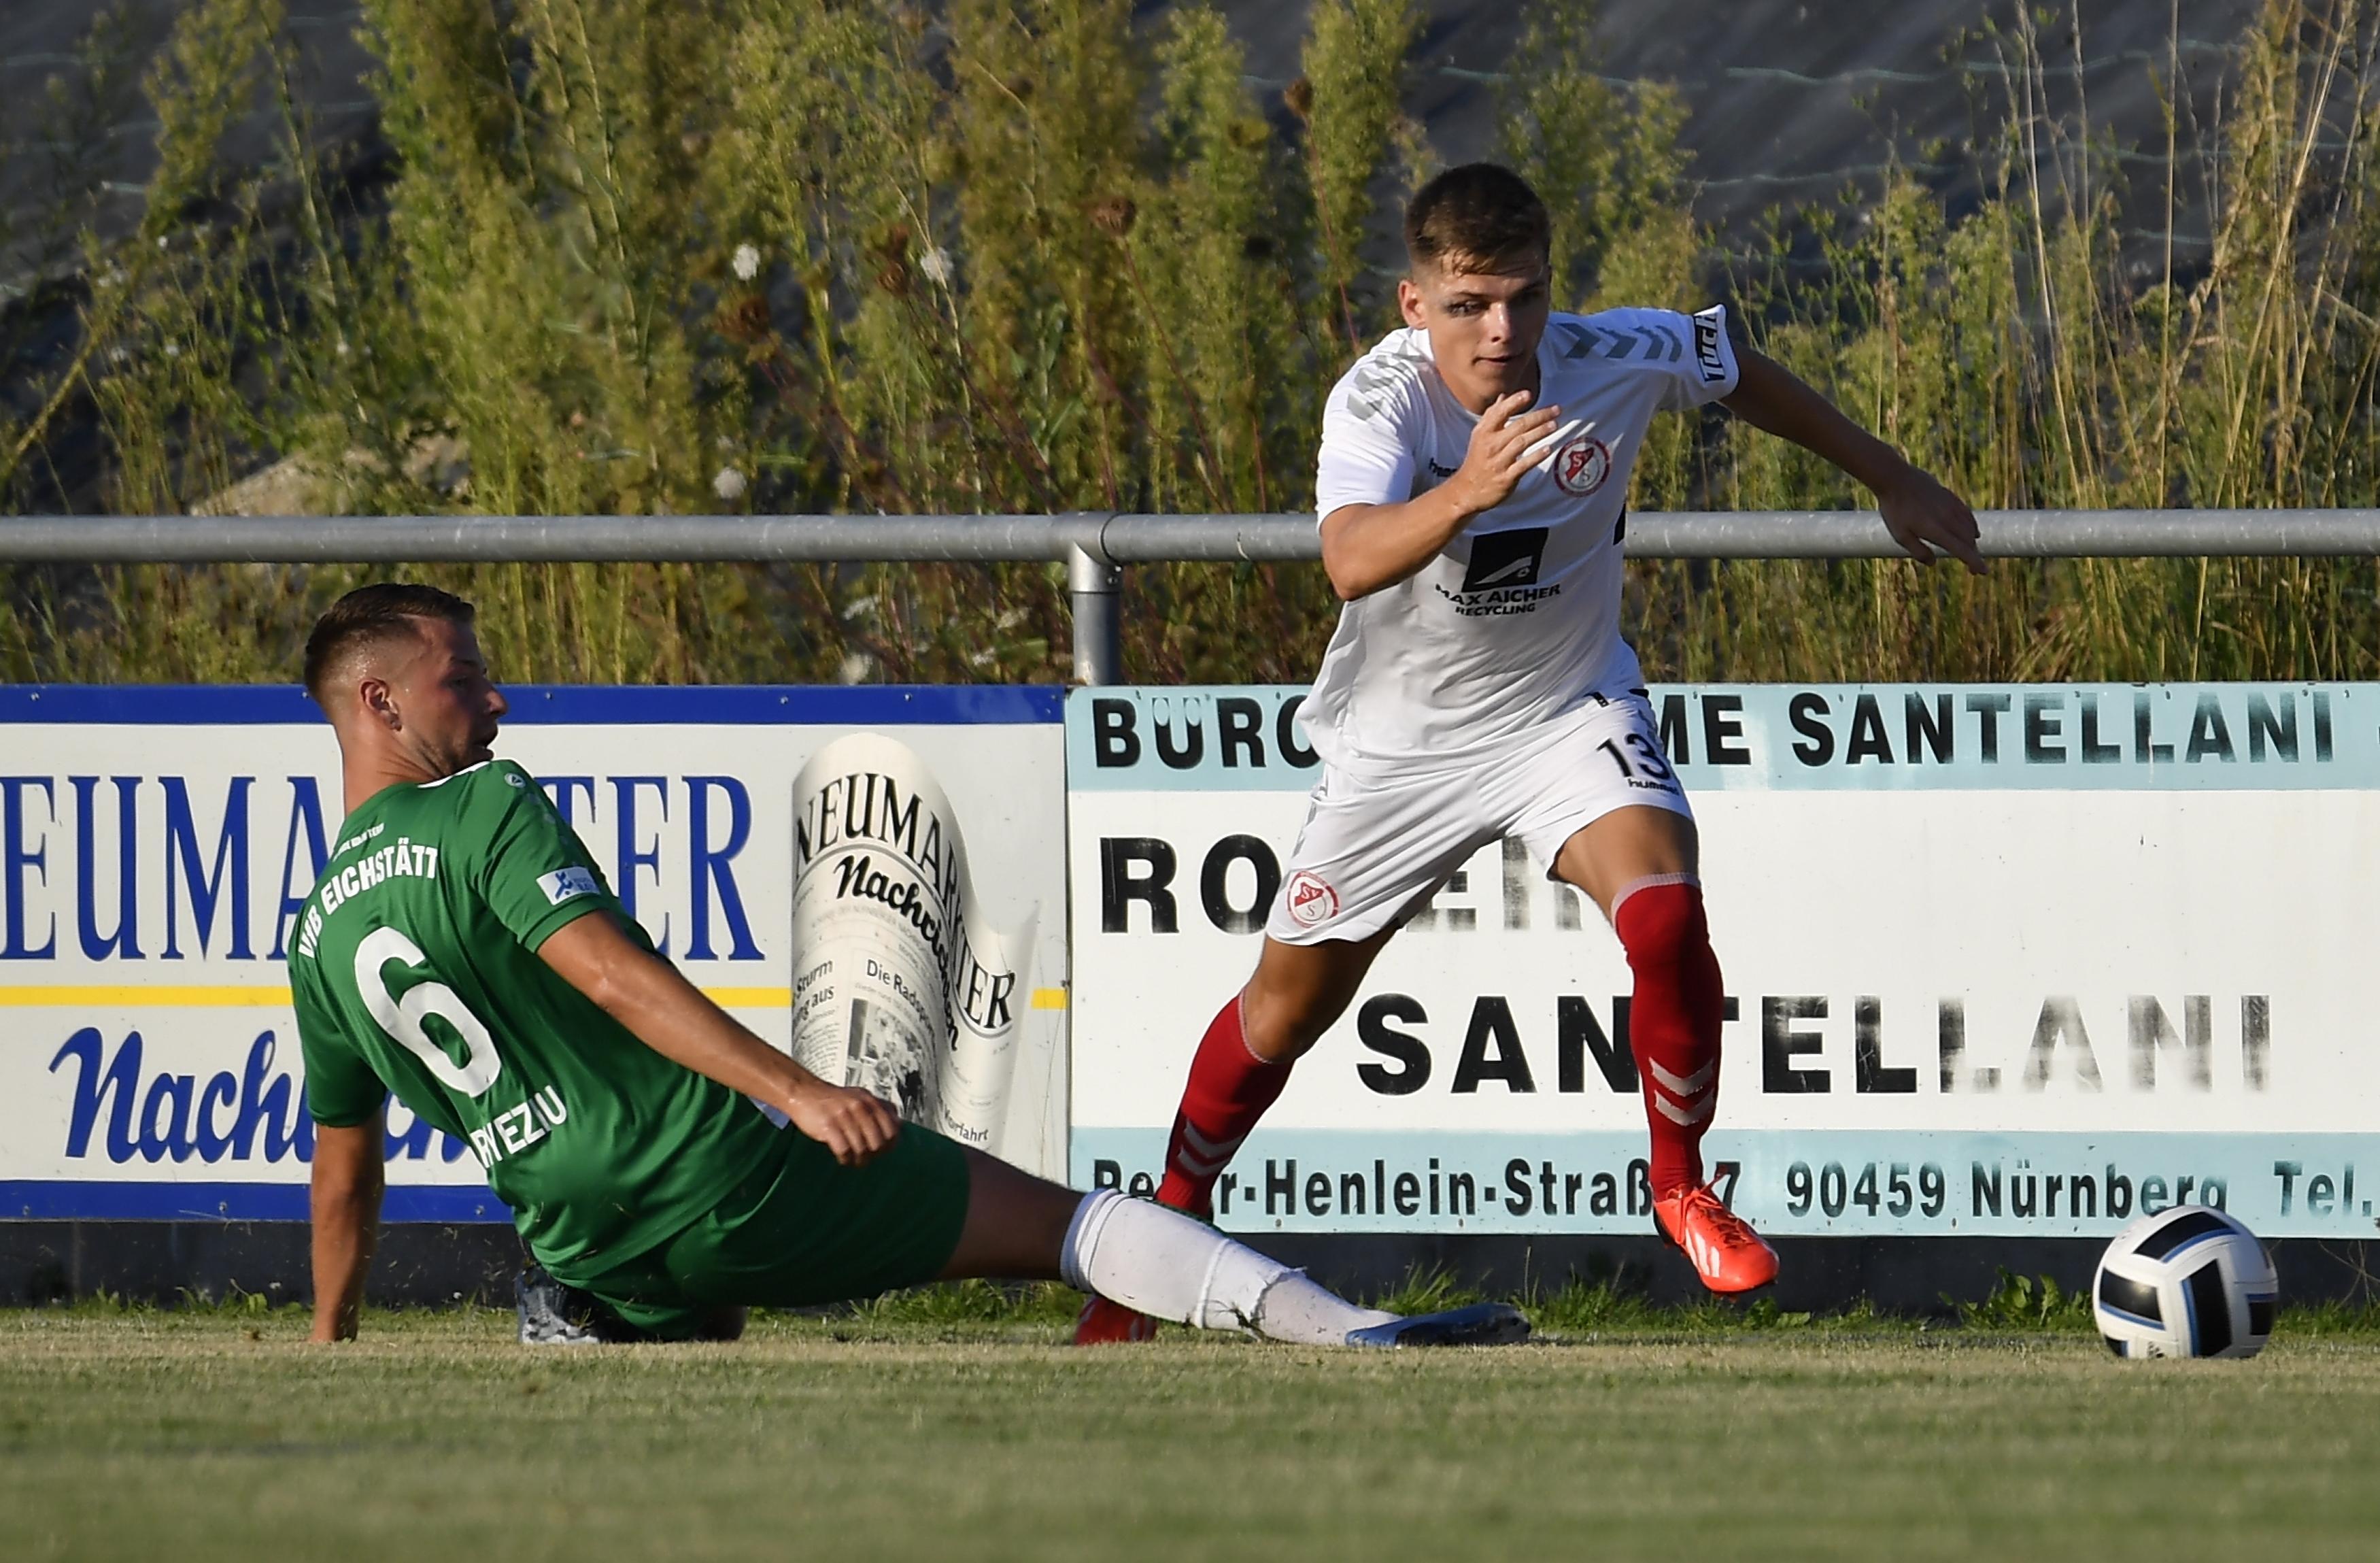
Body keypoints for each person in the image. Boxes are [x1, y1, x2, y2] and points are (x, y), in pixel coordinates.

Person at [1075, 163, 1985, 1343]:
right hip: (1402, 749)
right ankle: (1153, 1257)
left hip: (1565, 710)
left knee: (1663, 911)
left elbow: (1735, 364)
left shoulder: (1618, 355)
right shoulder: (1380, 403)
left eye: (1523, 298)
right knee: (1282, 1013)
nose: (1500, 331)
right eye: (1468, 305)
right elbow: (1349, 559)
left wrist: (1893, 476)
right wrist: (1467, 488)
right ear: (1415, 305)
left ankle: (1678, 1183)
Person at [294, 582, 1526, 1351]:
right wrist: (798, 1090)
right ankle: (1349, 1327)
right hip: (715, 1171)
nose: (496, 700)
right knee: (1067, 1224)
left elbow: (345, 1164)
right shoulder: (485, 806)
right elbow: (611, 974)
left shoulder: (317, 933)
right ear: (379, 699)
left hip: (577, 1226)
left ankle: (584, 1313)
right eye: (462, 678)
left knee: (694, 1302)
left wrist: (330, 1339)